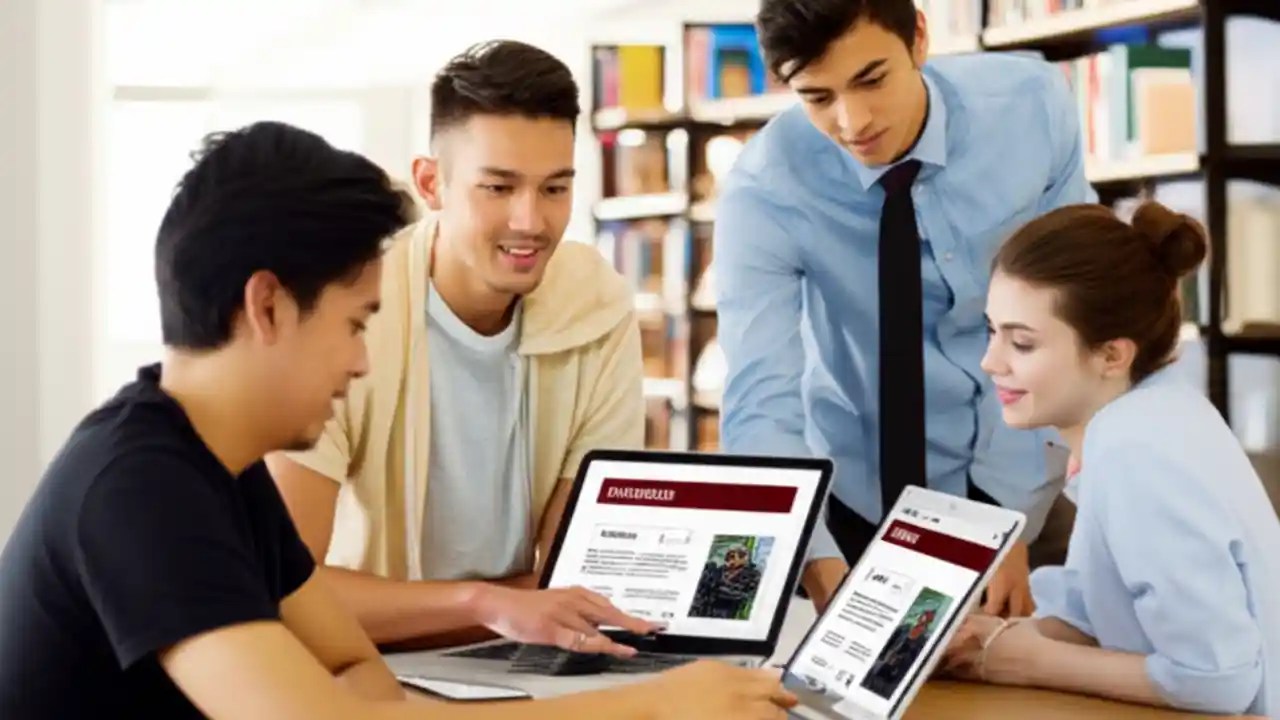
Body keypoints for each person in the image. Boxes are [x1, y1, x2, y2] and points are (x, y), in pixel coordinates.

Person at [0, 120, 799, 720]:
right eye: (355, 323)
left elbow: (357, 675)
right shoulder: (137, 490)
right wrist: (650, 706)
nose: (361, 361)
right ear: (268, 305)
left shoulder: (219, 469)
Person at [265, 39, 668, 654]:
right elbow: (287, 589)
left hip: (520, 657)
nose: (530, 221)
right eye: (498, 188)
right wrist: (498, 602)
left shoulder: (595, 302)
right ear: (432, 182)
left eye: (555, 189)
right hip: (365, 661)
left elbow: (577, 583)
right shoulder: (348, 309)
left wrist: (522, 606)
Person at [713, 0, 1096, 617]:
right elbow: (761, 399)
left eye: (872, 79)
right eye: (817, 96)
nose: (852, 120)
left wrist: (1008, 522)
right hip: (859, 509)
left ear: (918, 36)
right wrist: (813, 558)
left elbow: (1067, 312)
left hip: (1025, 484)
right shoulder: (766, 190)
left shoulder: (1031, 109)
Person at [940, 201, 1279, 717]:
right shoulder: (1155, 411)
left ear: (1112, 355)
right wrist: (989, 637)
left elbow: (1217, 679)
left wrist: (1017, 661)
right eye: (992, 331)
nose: (991, 362)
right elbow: (1095, 604)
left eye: (1022, 343)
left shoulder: (1133, 452)